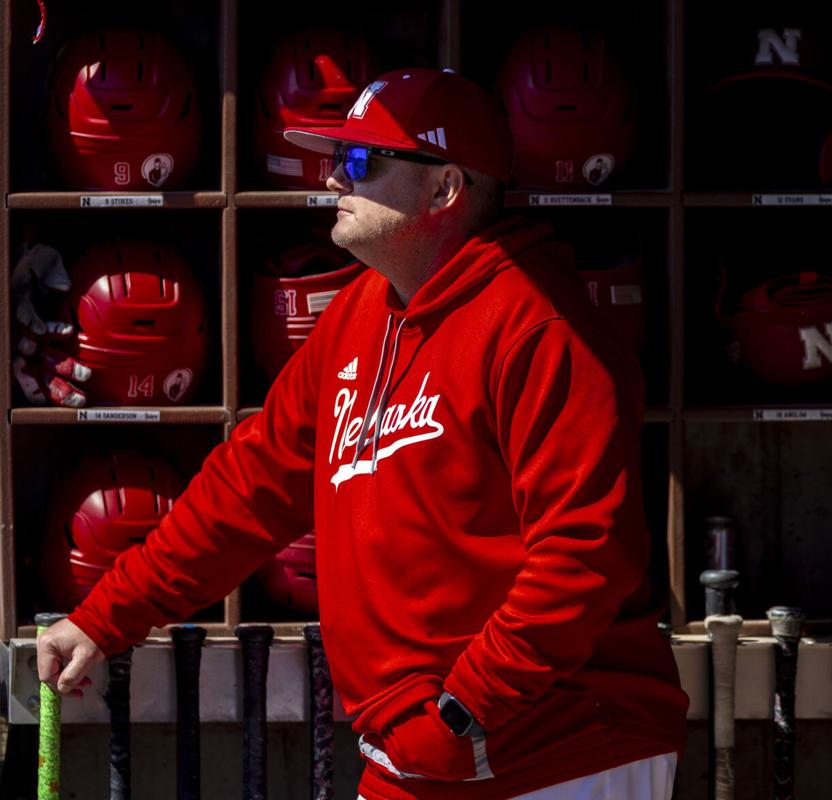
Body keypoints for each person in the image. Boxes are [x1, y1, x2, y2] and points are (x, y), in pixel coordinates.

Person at [36, 68, 688, 800]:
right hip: (423, 753)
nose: (332, 178)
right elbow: (246, 491)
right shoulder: (358, 314)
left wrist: (461, 712)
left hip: (560, 749)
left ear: (444, 188)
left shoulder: (541, 328)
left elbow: (585, 555)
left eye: (360, 161)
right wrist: (105, 617)